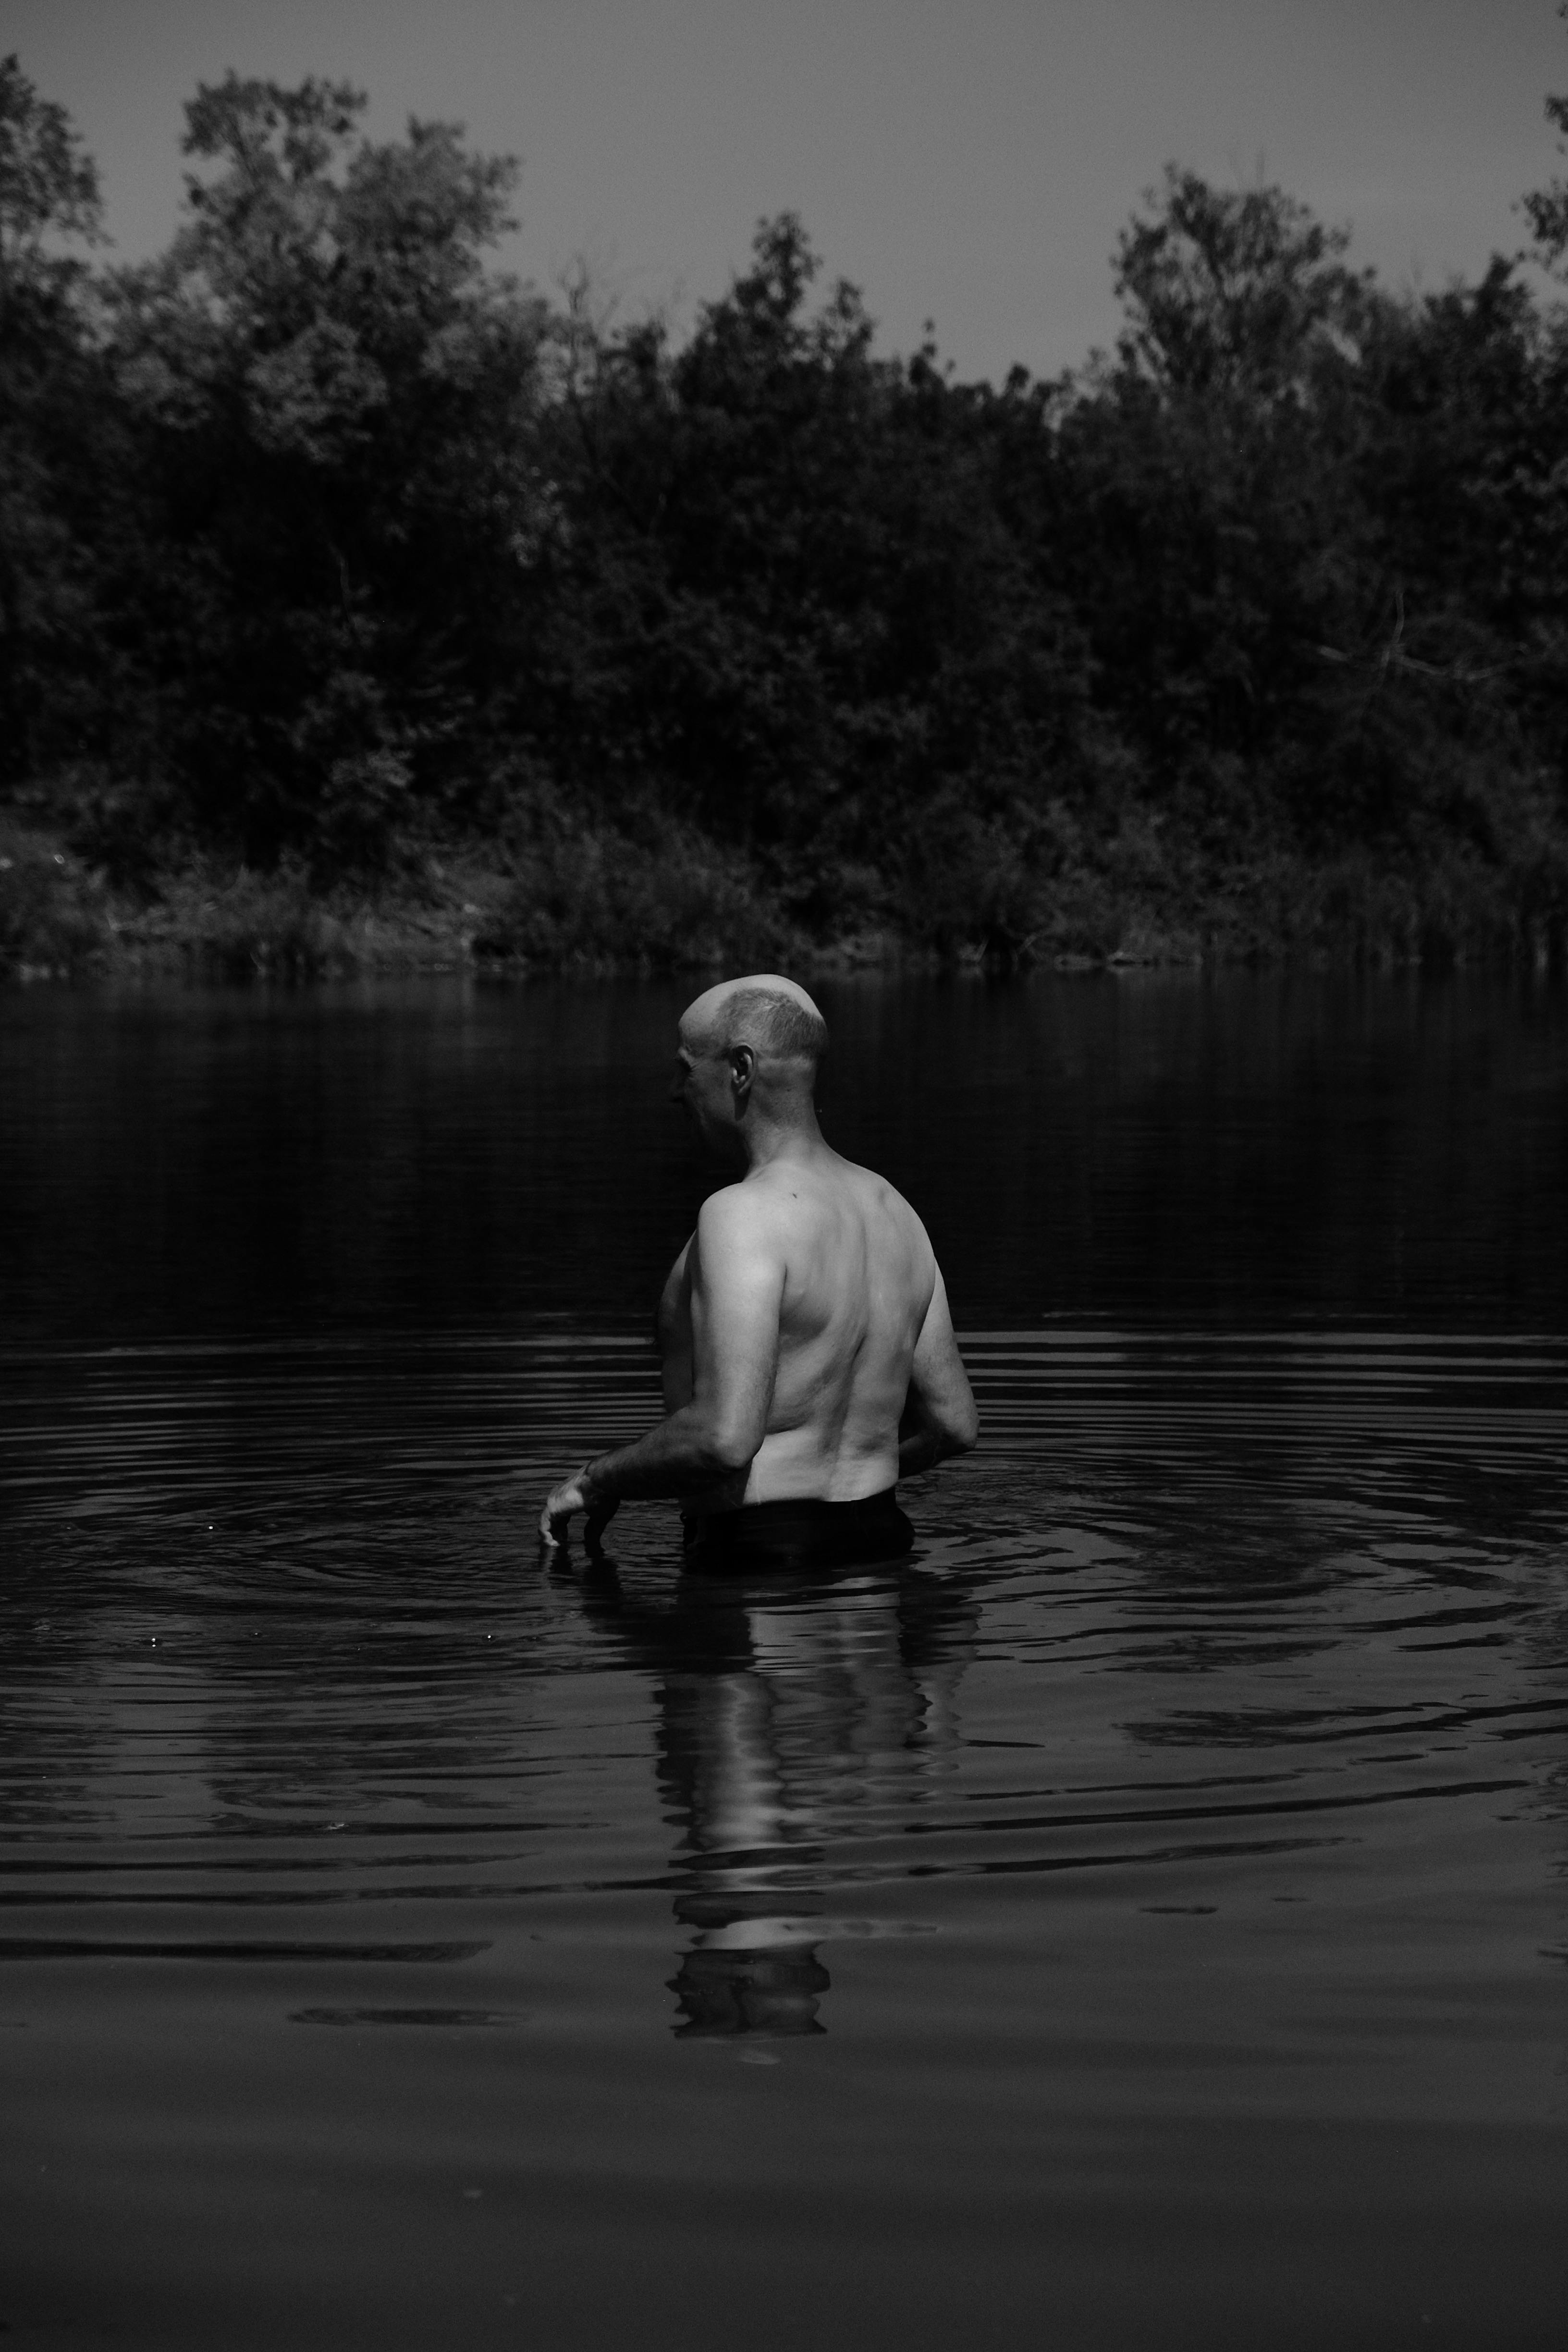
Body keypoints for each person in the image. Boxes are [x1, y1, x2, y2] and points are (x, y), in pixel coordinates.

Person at [539, 973, 978, 1569]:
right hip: (881, 1538)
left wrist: (597, 1480)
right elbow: (953, 1424)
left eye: (687, 1068)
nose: (676, 1091)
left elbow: (724, 1438)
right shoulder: (895, 1210)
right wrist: (845, 1474)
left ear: (740, 1069)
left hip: (759, 1558)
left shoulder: (741, 1215)